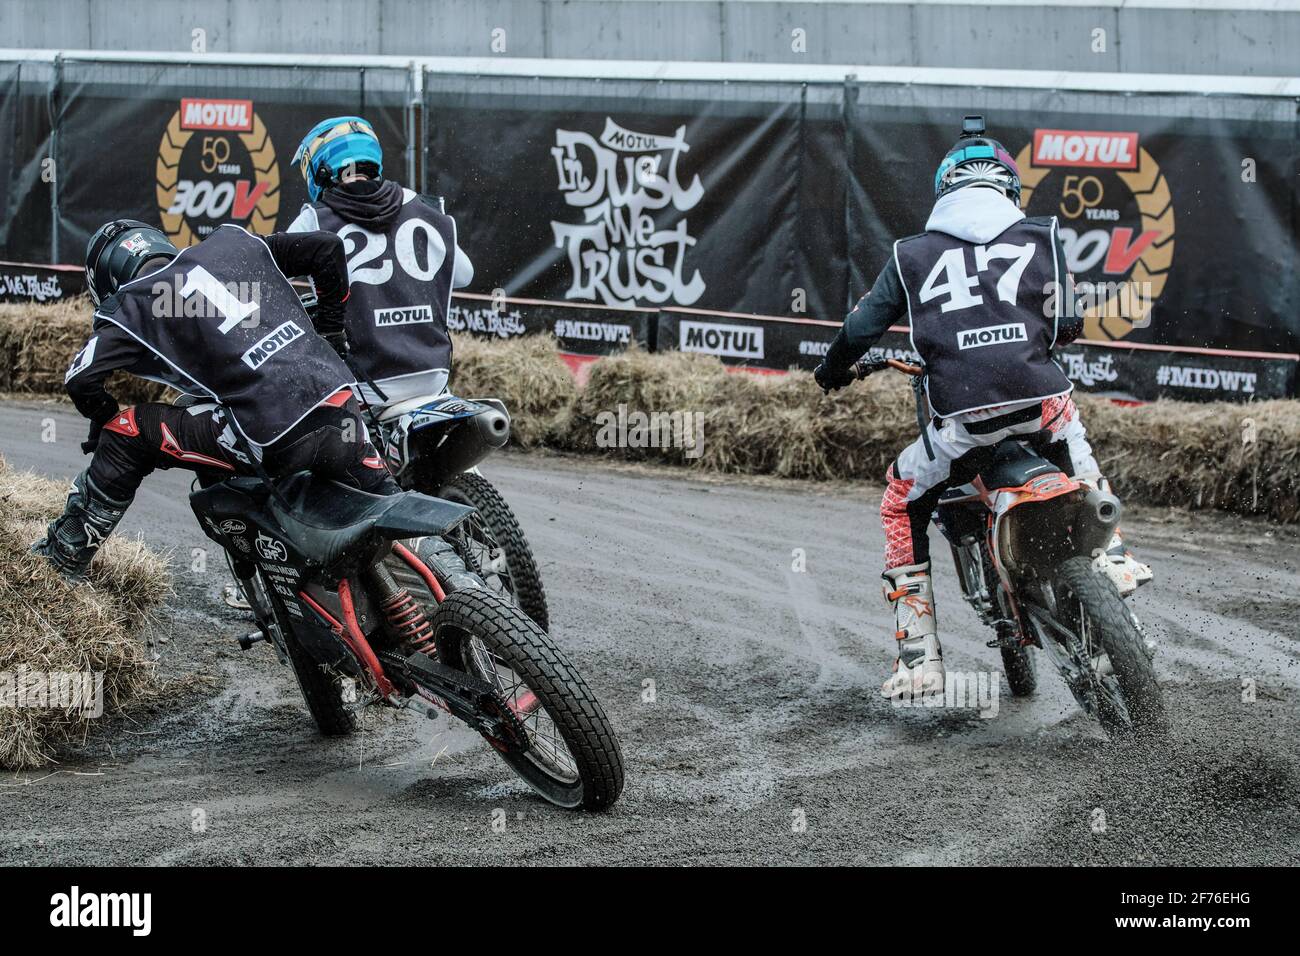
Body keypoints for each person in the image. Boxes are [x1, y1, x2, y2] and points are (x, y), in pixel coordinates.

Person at [813, 116, 1150, 700]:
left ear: (945, 190)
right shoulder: (1042, 234)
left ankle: (919, 654)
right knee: (1072, 439)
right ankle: (1114, 553)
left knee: (899, 497)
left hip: (965, 425)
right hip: (1042, 404)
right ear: (1008, 189)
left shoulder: (911, 254)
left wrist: (832, 370)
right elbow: (1066, 324)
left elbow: (861, 326)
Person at [34, 218, 398, 581]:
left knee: (126, 433)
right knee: (398, 514)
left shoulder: (135, 300)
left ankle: (62, 559)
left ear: (109, 279)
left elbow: (80, 379)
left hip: (270, 437)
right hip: (340, 408)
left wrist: (103, 416)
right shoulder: (233, 243)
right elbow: (327, 247)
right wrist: (332, 331)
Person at [286, 116, 474, 410]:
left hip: (366, 384)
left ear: (320, 167)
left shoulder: (315, 219)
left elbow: (268, 273)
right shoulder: (419, 205)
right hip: (433, 376)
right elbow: (464, 274)